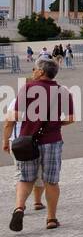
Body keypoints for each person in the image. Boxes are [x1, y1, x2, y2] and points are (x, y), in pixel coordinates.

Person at [4, 56, 75, 232]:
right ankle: (51, 218)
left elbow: (14, 116)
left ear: (41, 72)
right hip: (52, 141)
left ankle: (19, 207)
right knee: (51, 181)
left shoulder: (27, 88)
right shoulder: (63, 91)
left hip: (28, 141)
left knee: (26, 178)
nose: (33, 72)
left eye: (35, 69)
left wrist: (7, 138)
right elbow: (72, 119)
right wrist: (56, 124)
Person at [4, 68, 46, 217]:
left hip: (17, 142)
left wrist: (5, 142)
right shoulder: (43, 100)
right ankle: (37, 201)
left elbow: (9, 123)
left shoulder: (15, 101)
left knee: (20, 174)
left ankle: (19, 206)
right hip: (37, 142)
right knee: (40, 173)